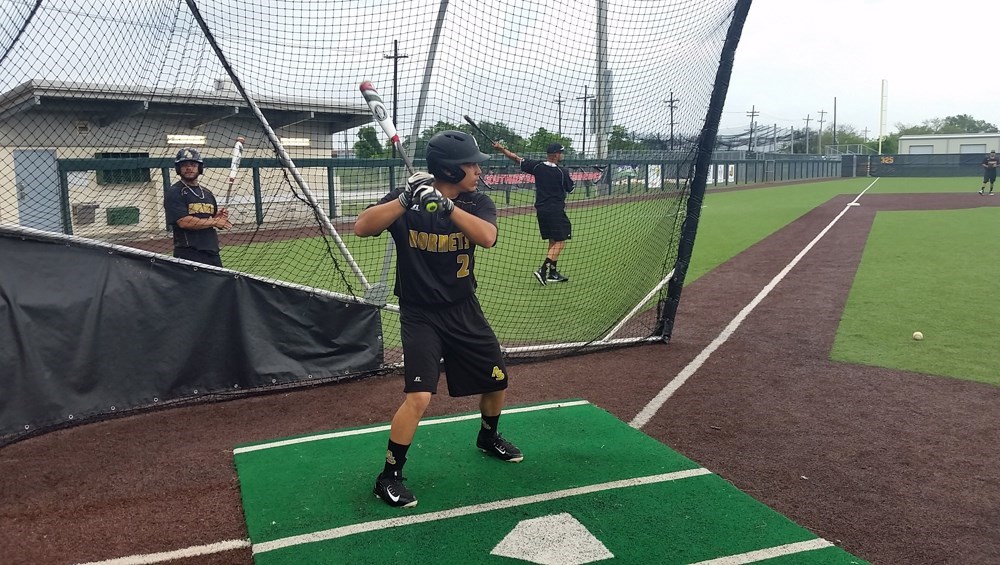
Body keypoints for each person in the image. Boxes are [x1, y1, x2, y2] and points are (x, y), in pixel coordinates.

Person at [355, 130, 522, 509]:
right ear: (449, 167)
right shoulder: (408, 201)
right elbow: (362, 227)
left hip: (464, 309)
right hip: (420, 315)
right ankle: (389, 476)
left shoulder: (477, 201)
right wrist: (404, 199)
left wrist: (445, 206)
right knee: (419, 396)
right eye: (471, 164)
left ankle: (487, 436)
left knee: (497, 379)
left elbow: (488, 237)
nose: (478, 169)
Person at [493, 141, 574, 285]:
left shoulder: (537, 166)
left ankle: (552, 273)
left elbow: (516, 158)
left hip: (541, 210)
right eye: (561, 152)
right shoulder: (562, 172)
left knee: (553, 240)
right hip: (555, 210)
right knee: (561, 241)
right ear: (555, 155)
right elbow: (570, 189)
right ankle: (543, 269)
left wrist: (502, 149)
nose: (562, 155)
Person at [163, 147, 232, 267]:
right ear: (178, 169)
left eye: (193, 164)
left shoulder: (207, 193)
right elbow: (184, 222)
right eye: (184, 165)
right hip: (188, 253)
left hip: (212, 252)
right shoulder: (175, 192)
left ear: (199, 168)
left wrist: (218, 218)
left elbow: (208, 221)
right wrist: (214, 221)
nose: (189, 168)